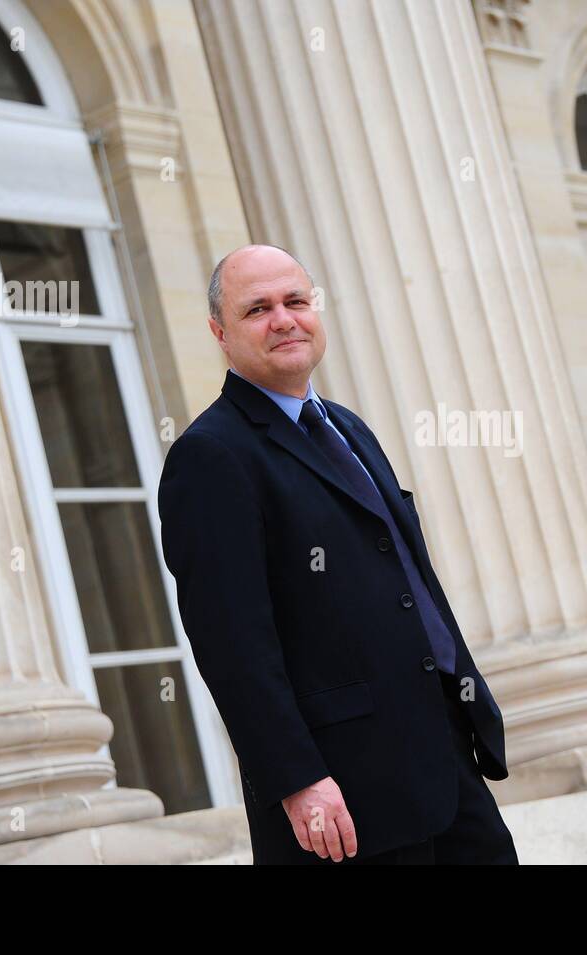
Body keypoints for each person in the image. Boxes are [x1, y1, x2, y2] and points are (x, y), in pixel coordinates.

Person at [158, 244, 518, 864]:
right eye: (258, 309)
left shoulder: (348, 426)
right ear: (220, 333)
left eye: (296, 301)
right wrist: (297, 778)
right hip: (342, 794)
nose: (284, 320)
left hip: (444, 759)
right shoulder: (210, 455)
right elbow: (232, 643)